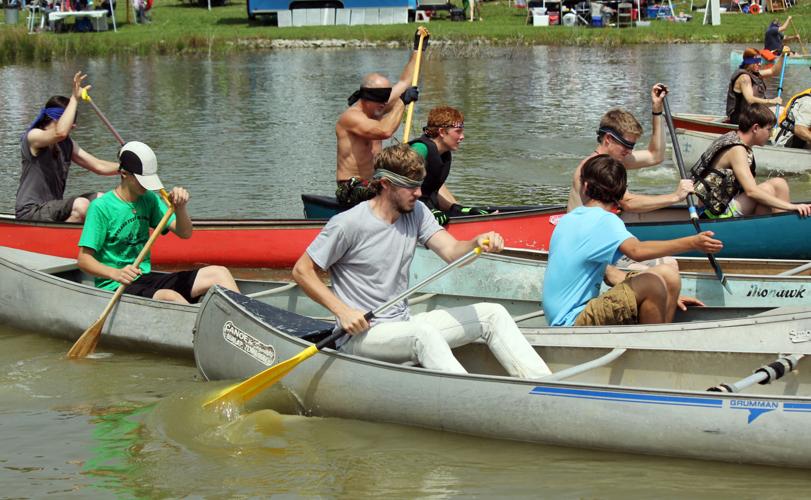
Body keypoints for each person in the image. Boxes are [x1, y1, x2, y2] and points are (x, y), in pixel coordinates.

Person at [293, 144, 551, 378]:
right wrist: (343, 311)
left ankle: (543, 387)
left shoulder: (416, 212)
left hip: (403, 324)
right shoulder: (348, 224)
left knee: (493, 314)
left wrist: (476, 243)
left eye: (420, 185)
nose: (419, 193)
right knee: (423, 335)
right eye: (411, 186)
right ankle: (469, 397)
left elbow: (451, 252)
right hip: (361, 335)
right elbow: (302, 271)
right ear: (385, 184)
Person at [544, 155, 722, 327]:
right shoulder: (604, 220)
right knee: (653, 283)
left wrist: (667, 294)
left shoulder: (569, 218)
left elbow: (610, 274)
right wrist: (692, 243)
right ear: (621, 192)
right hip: (571, 320)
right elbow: (637, 251)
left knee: (668, 275)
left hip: (565, 316)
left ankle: (661, 337)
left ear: (585, 186)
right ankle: (650, 347)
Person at [77, 141, 240, 304]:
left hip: (145, 277)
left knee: (219, 273)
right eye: (141, 180)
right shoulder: (100, 207)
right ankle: (200, 327)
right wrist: (116, 273)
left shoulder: (149, 199)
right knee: (170, 297)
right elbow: (84, 261)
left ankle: (246, 322)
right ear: (124, 173)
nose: (146, 186)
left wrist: (180, 208)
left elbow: (185, 233)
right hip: (115, 285)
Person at [567, 83, 693, 214]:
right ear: (608, 139)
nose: (629, 151)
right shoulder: (596, 167)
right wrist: (675, 197)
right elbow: (628, 203)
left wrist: (657, 111)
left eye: (632, 146)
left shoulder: (616, 160)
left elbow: (655, 155)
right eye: (626, 145)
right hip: (583, 232)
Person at [335, 30, 427, 207]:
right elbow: (384, 131)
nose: (384, 103)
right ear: (366, 97)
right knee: (395, 189)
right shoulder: (351, 118)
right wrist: (402, 102)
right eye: (380, 99)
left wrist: (418, 48)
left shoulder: (378, 106)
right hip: (350, 188)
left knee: (410, 184)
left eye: (387, 97)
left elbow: (406, 81)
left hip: (375, 182)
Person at [16, 71, 119, 223]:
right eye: (72, 119)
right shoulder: (33, 137)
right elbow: (61, 132)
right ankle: (61, 242)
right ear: (57, 118)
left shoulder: (66, 144)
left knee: (103, 200)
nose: (75, 125)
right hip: (31, 211)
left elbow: (98, 166)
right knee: (81, 205)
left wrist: (127, 168)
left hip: (52, 209)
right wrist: (74, 99)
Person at [691, 103, 811, 219]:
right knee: (768, 190)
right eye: (769, 130)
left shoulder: (734, 138)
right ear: (756, 128)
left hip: (720, 206)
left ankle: (774, 228)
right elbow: (752, 192)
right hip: (711, 214)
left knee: (778, 185)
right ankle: (780, 228)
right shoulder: (737, 150)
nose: (770, 135)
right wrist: (791, 206)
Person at [408, 106, 493, 225]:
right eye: (458, 132)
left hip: (425, 209)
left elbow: (432, 190)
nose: (462, 137)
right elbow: (400, 186)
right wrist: (426, 210)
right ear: (442, 132)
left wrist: (456, 209)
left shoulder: (443, 154)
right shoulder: (420, 149)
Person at [726, 47, 787, 125]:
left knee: (784, 111)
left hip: (752, 113)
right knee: (779, 114)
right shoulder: (744, 78)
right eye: (756, 61)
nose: (760, 64)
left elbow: (774, 71)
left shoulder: (755, 74)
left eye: (760, 61)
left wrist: (782, 56)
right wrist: (771, 101)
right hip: (741, 117)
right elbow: (750, 99)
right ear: (749, 62)